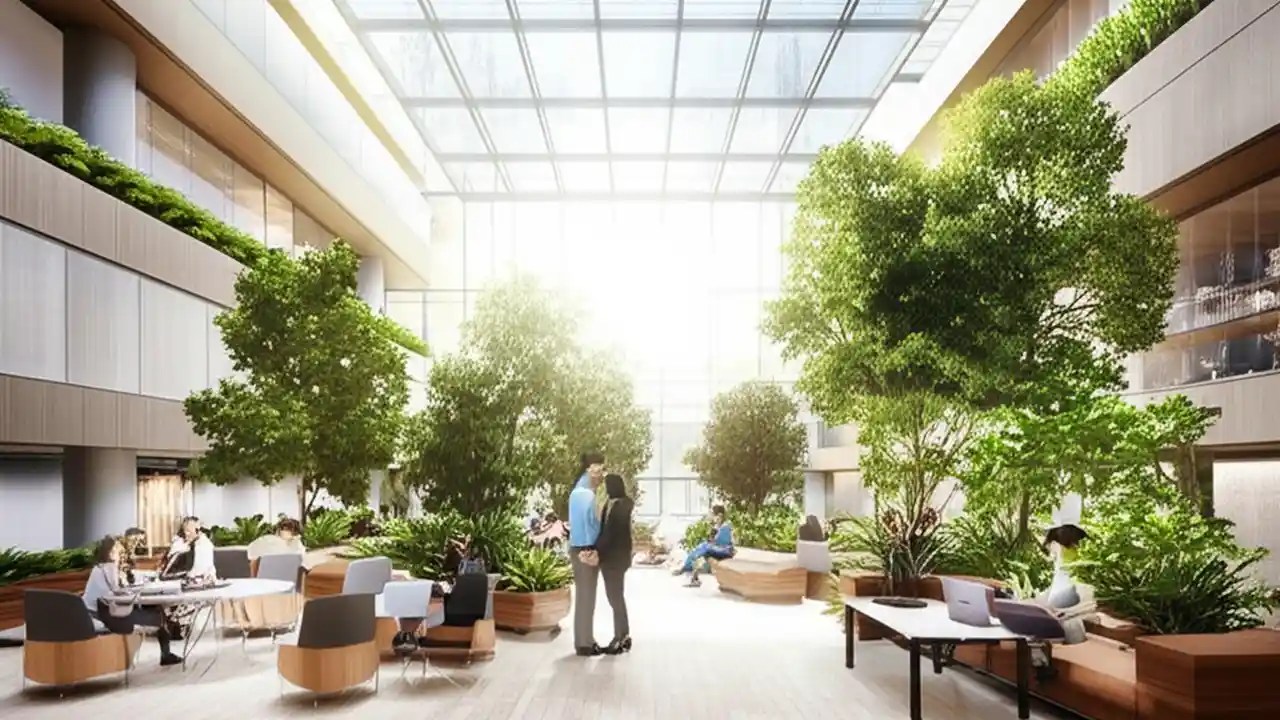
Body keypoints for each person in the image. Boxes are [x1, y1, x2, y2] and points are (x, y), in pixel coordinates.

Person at [83, 535, 182, 666]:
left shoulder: (98, 568)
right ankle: (166, 654)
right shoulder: (109, 567)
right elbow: (116, 593)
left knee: (155, 612)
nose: (120, 555)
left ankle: (166, 653)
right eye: (118, 552)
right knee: (159, 613)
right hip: (109, 616)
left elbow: (112, 591)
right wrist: (130, 591)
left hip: (96, 612)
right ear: (111, 553)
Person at [567, 451, 606, 657]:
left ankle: (586, 639)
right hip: (586, 549)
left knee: (585, 596)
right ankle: (584, 643)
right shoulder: (586, 495)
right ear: (589, 468)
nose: (599, 473)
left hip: (579, 548)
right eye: (597, 468)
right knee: (586, 597)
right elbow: (591, 525)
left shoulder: (578, 491)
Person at [596, 473, 633, 655]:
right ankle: (623, 635)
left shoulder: (622, 505)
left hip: (615, 559)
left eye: (608, 485)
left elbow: (610, 533)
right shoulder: (611, 504)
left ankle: (620, 637)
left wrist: (596, 550)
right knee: (615, 597)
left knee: (615, 597)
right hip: (609, 558)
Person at [675, 504, 735, 586]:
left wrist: (712, 540)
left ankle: (689, 572)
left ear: (720, 515)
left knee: (704, 550)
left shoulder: (726, 527)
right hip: (717, 549)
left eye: (713, 515)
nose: (713, 518)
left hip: (726, 551)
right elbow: (710, 540)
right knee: (700, 550)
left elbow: (723, 542)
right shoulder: (717, 526)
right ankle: (691, 574)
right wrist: (713, 533)